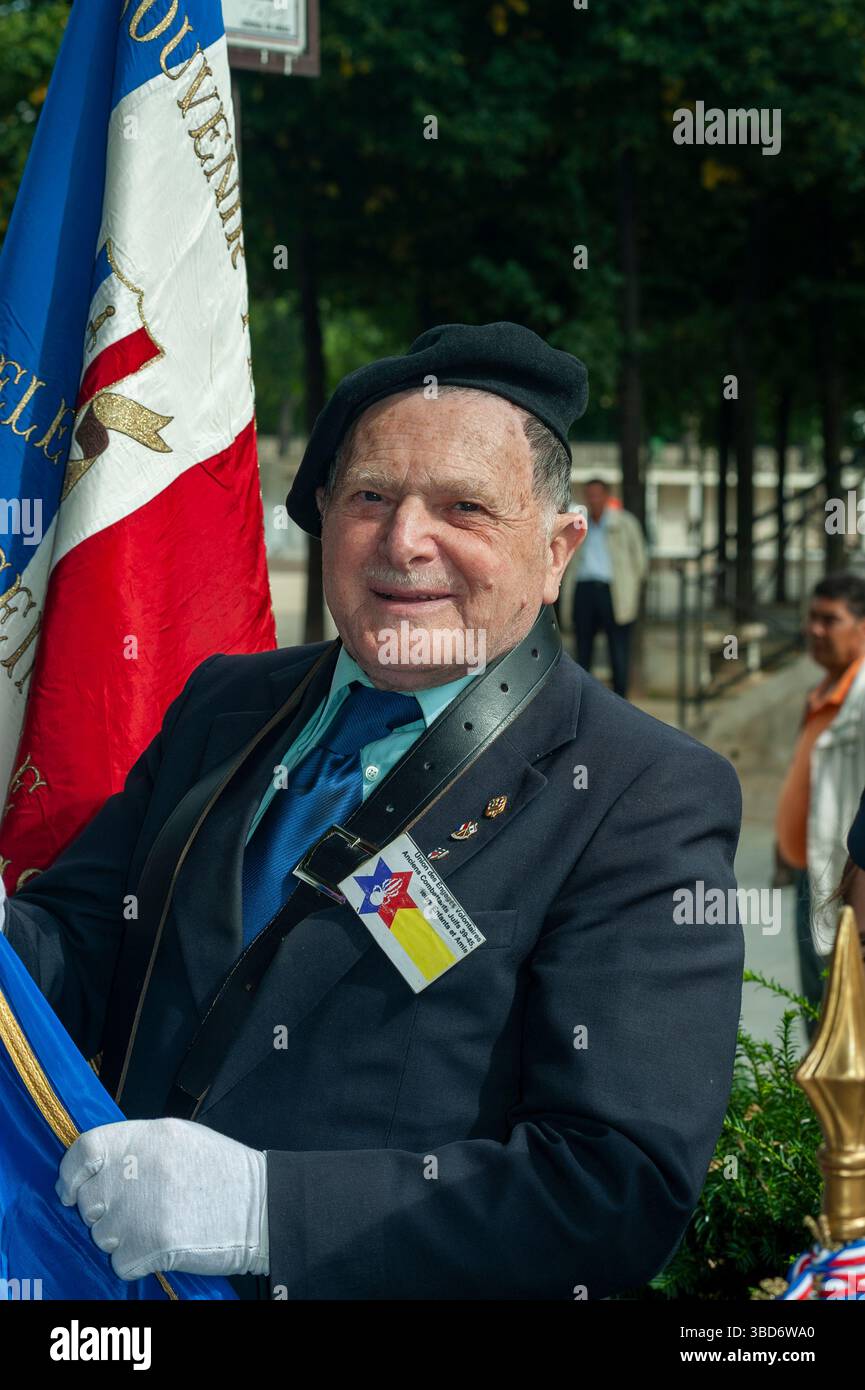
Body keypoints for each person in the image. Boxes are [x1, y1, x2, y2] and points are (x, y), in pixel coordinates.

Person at [0, 321, 744, 1301]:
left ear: (560, 548)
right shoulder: (224, 704)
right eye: (370, 498)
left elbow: (613, 1186)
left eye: (465, 507)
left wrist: (265, 1210)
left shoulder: (638, 792)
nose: (404, 541)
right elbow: (77, 940)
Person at [774, 573, 865, 1028]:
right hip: (809, 872)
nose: (816, 630)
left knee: (841, 1013)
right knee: (818, 1007)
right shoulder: (824, 691)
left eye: (831, 620)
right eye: (812, 618)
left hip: (846, 879)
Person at [570, 478, 648, 698]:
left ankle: (620, 700)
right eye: (589, 495)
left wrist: (630, 587)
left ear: (607, 496)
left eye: (597, 494)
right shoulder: (578, 523)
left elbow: (640, 561)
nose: (593, 499)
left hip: (613, 592)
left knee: (618, 650)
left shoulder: (625, 523)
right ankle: (582, 700)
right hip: (584, 589)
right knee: (583, 650)